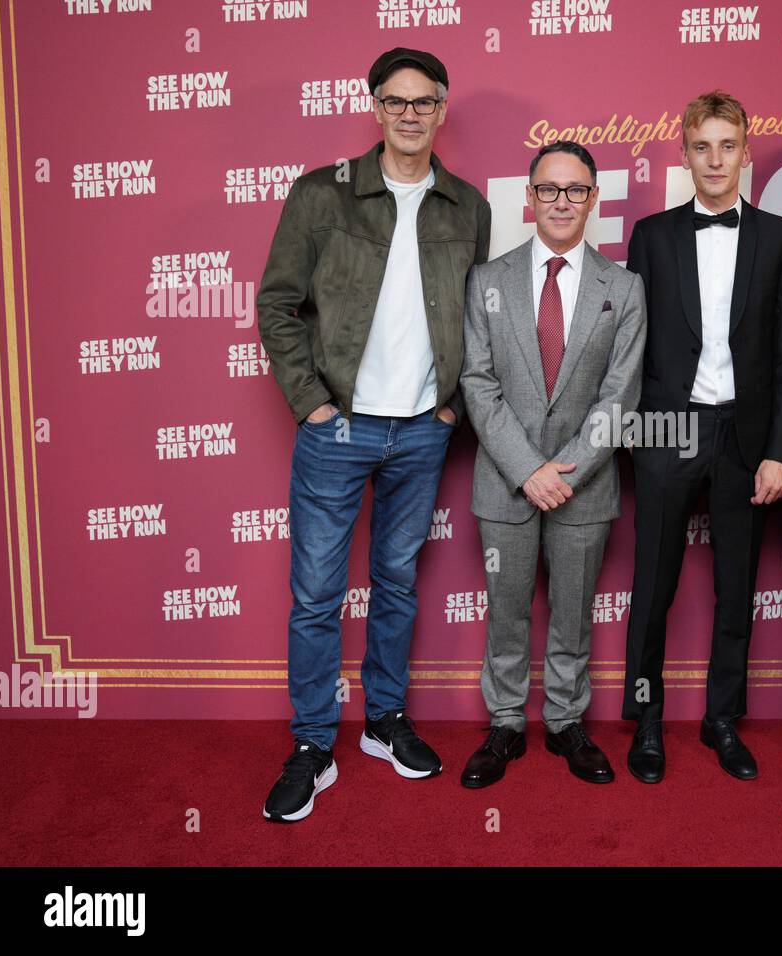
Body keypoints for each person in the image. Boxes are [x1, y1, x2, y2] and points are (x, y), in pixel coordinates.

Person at [257, 47, 491, 822]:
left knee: (395, 583)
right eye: (396, 101)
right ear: (375, 108)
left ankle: (385, 721)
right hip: (339, 429)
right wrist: (312, 404)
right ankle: (313, 743)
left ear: (442, 109)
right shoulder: (322, 195)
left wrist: (451, 406)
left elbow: (475, 318)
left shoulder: (468, 206)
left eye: (424, 101)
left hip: (424, 429)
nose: (411, 114)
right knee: (317, 594)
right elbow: (277, 303)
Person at [621, 90, 782, 783]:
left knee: (736, 590)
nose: (715, 159)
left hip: (747, 440)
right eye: (703, 146)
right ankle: (645, 718)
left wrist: (780, 450)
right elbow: (630, 348)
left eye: (728, 146)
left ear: (746, 154)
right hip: (668, 433)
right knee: (653, 588)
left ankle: (722, 718)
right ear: (685, 153)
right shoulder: (651, 236)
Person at [457, 141, 645, 788]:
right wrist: (526, 469)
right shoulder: (487, 281)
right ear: (529, 198)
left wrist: (564, 470)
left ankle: (566, 721)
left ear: (593, 199)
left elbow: (621, 394)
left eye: (575, 190)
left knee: (573, 613)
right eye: (549, 189)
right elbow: (477, 384)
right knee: (505, 613)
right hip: (506, 484)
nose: (562, 201)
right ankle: (505, 723)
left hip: (583, 489)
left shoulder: (623, 288)